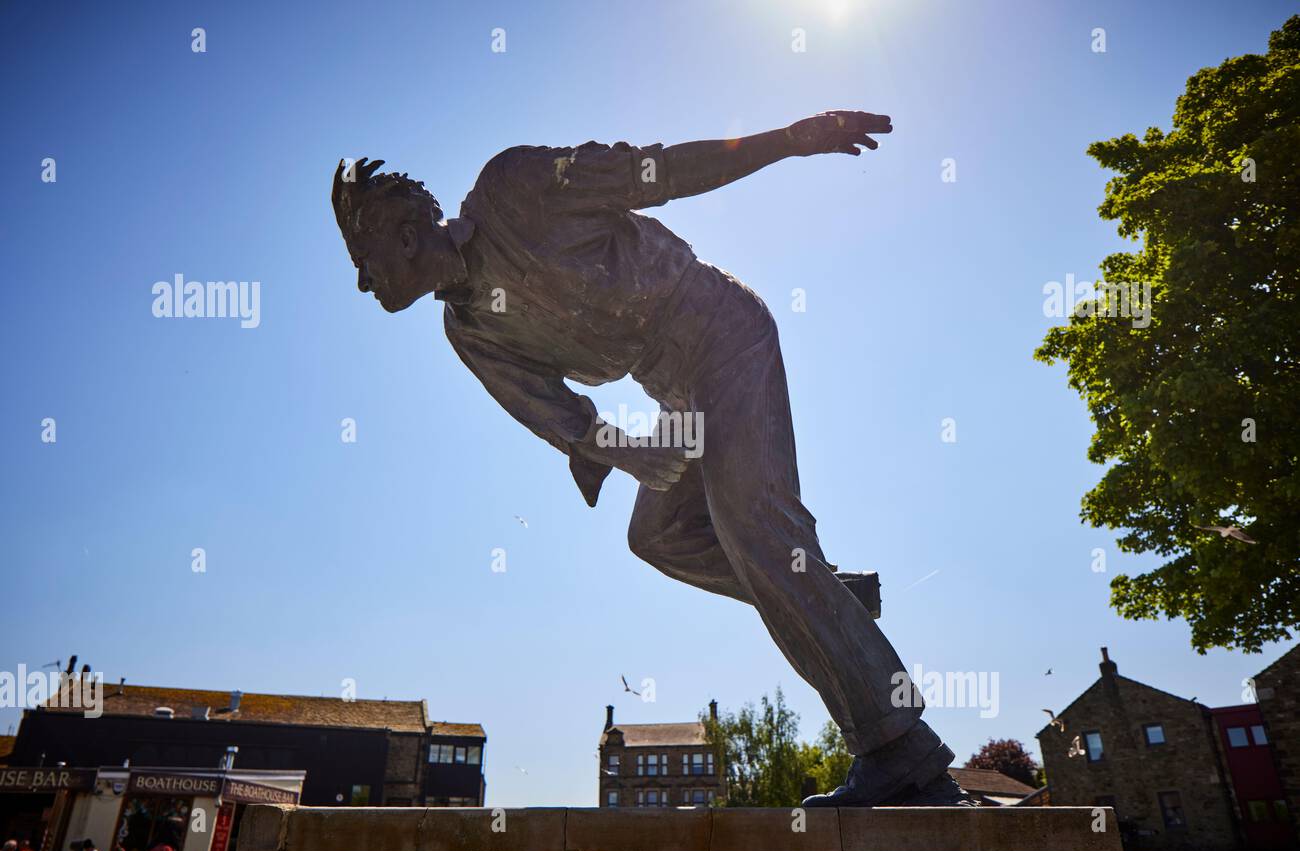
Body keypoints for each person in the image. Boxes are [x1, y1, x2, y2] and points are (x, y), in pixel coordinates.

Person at [331, 112, 974, 807]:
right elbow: (565, 419)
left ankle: (903, 752)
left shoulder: (511, 188)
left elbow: (657, 173)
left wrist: (787, 140)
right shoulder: (469, 330)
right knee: (658, 536)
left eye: (363, 265)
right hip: (675, 390)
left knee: (756, 533)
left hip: (723, 334)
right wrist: (630, 454)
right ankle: (822, 591)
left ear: (402, 236)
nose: (363, 285)